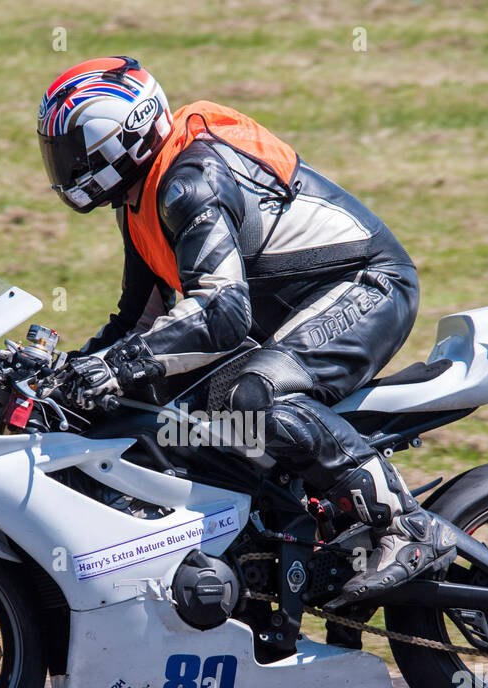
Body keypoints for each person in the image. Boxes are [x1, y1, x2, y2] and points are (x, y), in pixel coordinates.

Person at [38, 55, 456, 605]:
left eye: (71, 151)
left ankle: (404, 526)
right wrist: (67, 375)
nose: (62, 167)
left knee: (248, 397)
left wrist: (117, 366)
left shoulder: (189, 183)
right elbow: (138, 320)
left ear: (120, 137)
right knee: (165, 403)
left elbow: (222, 312)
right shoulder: (139, 201)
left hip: (366, 286)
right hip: (292, 309)